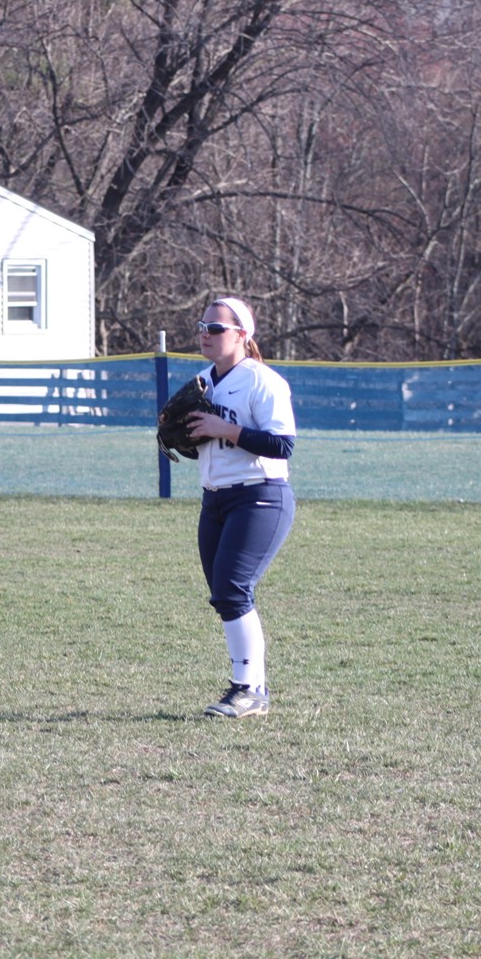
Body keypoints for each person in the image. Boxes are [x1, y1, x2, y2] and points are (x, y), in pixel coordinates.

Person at [182, 296, 297, 718]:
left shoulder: (263, 381)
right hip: (215, 498)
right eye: (202, 326)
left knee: (233, 588)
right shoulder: (202, 380)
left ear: (242, 336)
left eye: (216, 328)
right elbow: (204, 442)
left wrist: (224, 428)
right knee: (224, 595)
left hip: (260, 496)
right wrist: (187, 436)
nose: (205, 334)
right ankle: (248, 686)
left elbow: (282, 444)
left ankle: (250, 690)